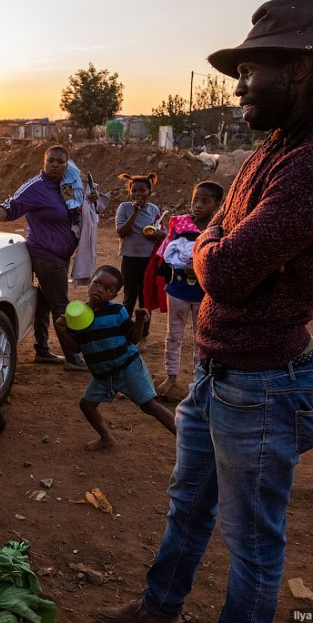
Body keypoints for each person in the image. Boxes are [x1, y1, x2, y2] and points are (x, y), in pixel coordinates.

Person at [97, 0, 313, 622]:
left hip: (263, 383)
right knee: (188, 503)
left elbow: (224, 270)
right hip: (220, 370)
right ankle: (160, 607)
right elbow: (224, 239)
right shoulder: (280, 144)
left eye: (248, 72)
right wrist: (217, 239)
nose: (238, 88)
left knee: (252, 543)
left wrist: (205, 241)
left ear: (298, 67)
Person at [0, 145, 96, 372]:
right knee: (61, 305)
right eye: (51, 161)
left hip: (60, 255)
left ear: (67, 164)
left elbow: (75, 211)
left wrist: (89, 200)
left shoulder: (68, 186)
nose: (56, 165)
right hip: (45, 255)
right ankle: (72, 356)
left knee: (46, 301)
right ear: (44, 162)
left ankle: (42, 350)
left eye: (60, 162)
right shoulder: (36, 187)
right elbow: (11, 205)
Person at [55, 265, 177, 451]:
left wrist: (140, 321)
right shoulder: (77, 316)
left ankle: (185, 439)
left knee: (150, 406)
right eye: (96, 283)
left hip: (128, 367)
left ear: (114, 295)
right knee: (87, 406)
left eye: (108, 289)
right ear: (90, 283)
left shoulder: (117, 311)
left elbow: (133, 339)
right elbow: (77, 347)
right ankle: (106, 438)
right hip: (103, 375)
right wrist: (64, 331)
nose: (100, 290)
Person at [153, 181, 224, 398]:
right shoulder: (180, 224)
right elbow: (166, 254)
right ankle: (171, 376)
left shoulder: (219, 229)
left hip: (204, 294)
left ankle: (198, 378)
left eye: (206, 201)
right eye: (195, 200)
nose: (198, 205)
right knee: (173, 335)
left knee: (201, 339)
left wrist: (201, 266)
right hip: (178, 290)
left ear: (217, 204)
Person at [114, 173, 166, 351]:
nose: (138, 194)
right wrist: (135, 213)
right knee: (129, 298)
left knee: (146, 300)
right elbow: (121, 232)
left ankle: (143, 336)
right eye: (134, 190)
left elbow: (162, 232)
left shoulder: (154, 210)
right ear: (129, 192)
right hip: (130, 259)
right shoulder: (124, 208)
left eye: (142, 190)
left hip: (148, 261)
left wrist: (157, 234)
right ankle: (126, 333)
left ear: (149, 191)